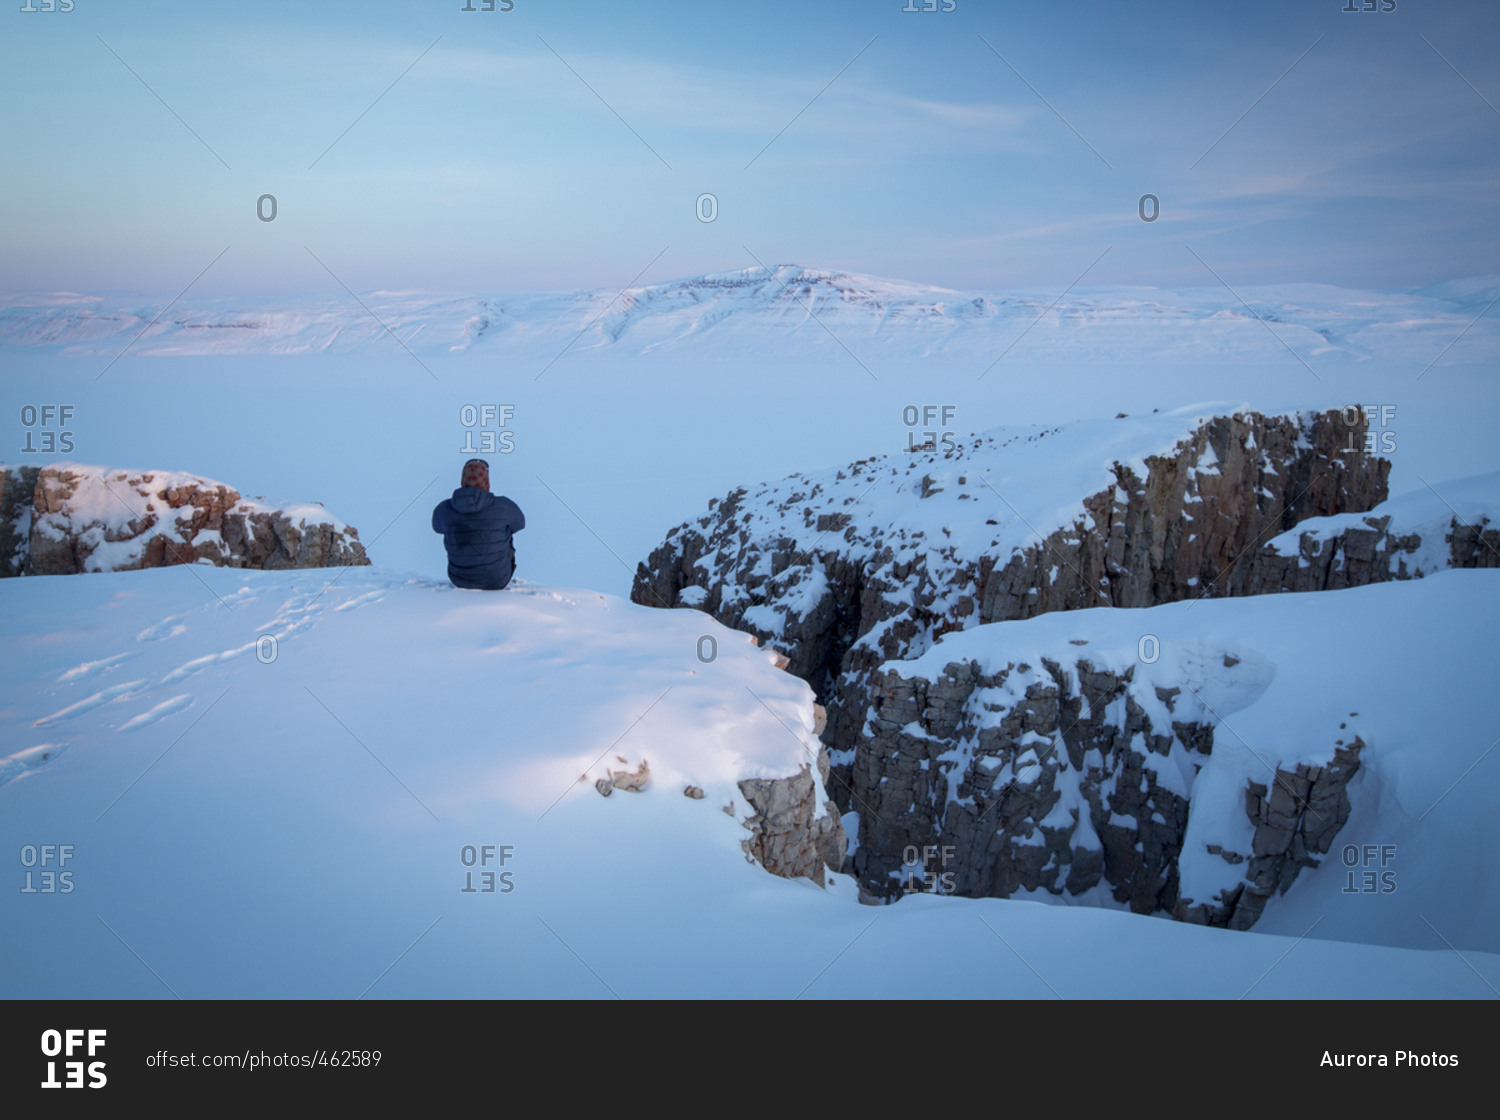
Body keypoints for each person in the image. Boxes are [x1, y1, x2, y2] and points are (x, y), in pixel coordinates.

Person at [431, 459, 526, 590]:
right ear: (487, 481)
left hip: (458, 579)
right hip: (497, 580)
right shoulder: (504, 506)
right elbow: (520, 524)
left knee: (451, 530)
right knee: (506, 528)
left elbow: (437, 527)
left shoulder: (444, 508)